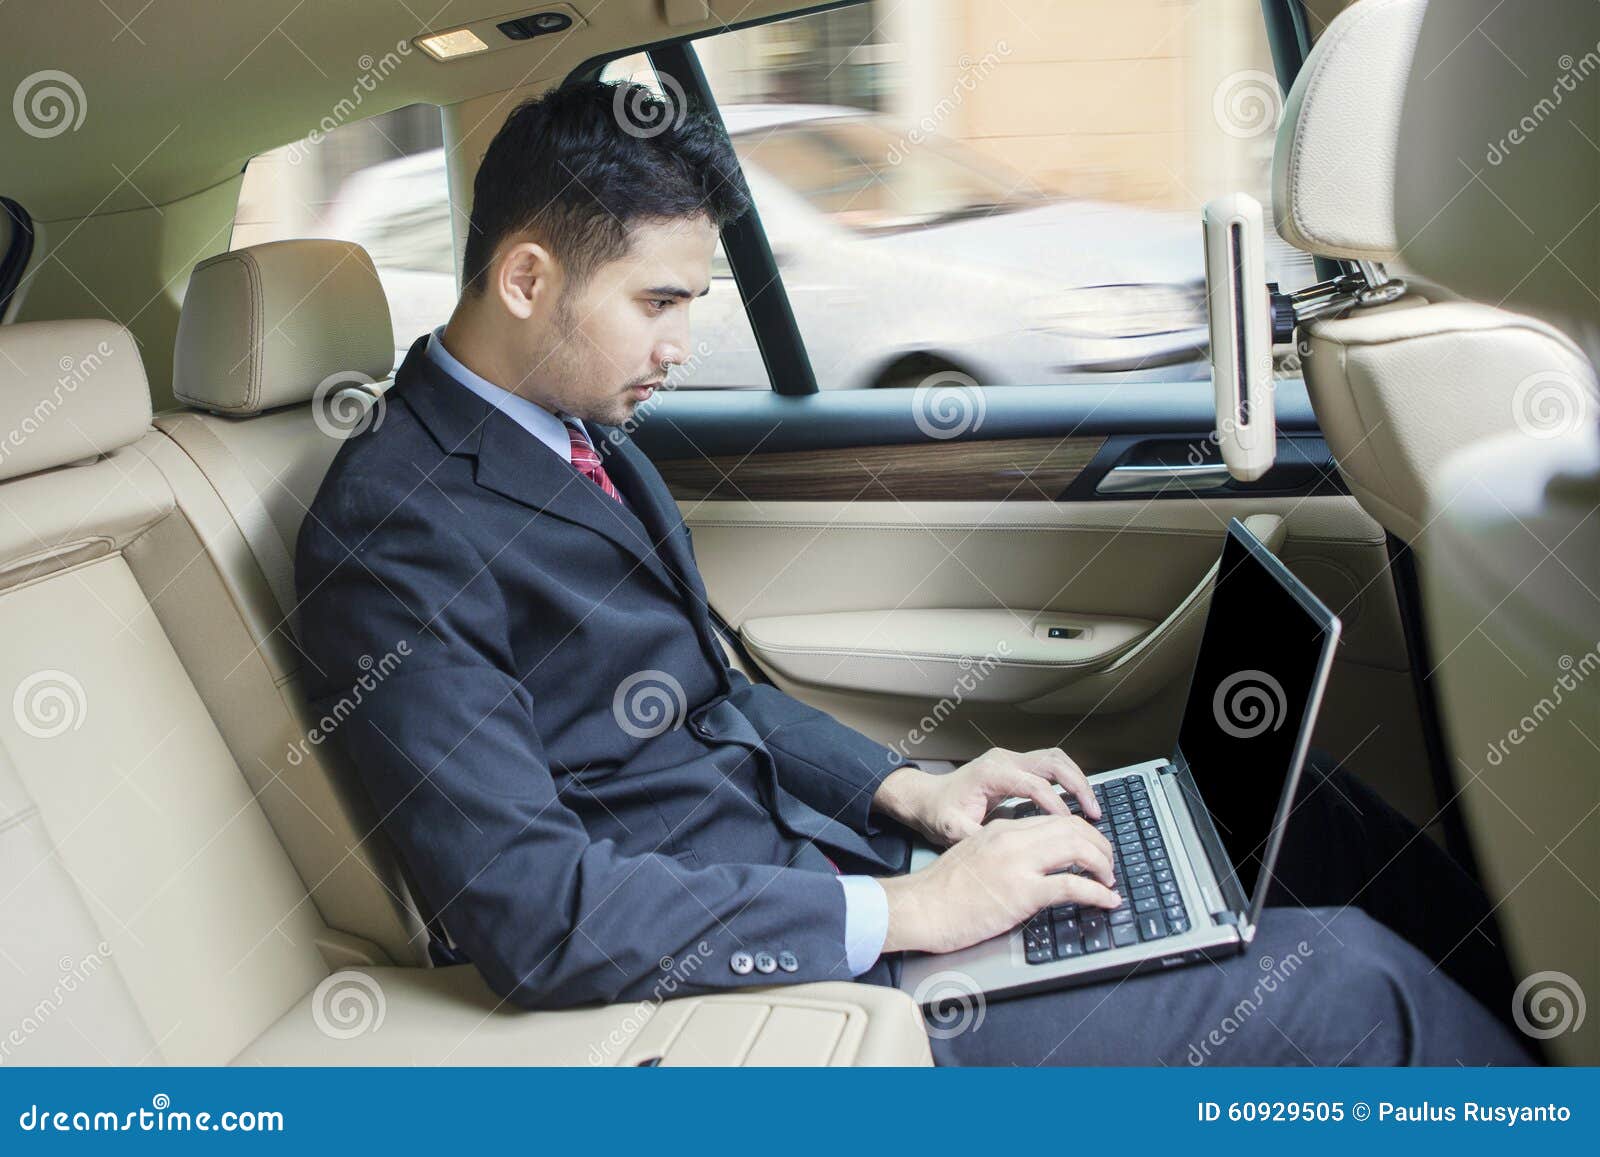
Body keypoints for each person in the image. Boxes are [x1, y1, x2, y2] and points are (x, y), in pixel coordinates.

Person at [295, 79, 1533, 1066]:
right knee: (1350, 985)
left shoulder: (582, 434)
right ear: (526, 278)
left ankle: (1545, 1054)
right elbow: (536, 911)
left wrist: (919, 791)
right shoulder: (392, 529)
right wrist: (915, 915)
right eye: (658, 302)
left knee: (1306, 811)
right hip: (763, 987)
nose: (681, 346)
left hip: (835, 874)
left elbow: (717, 697)